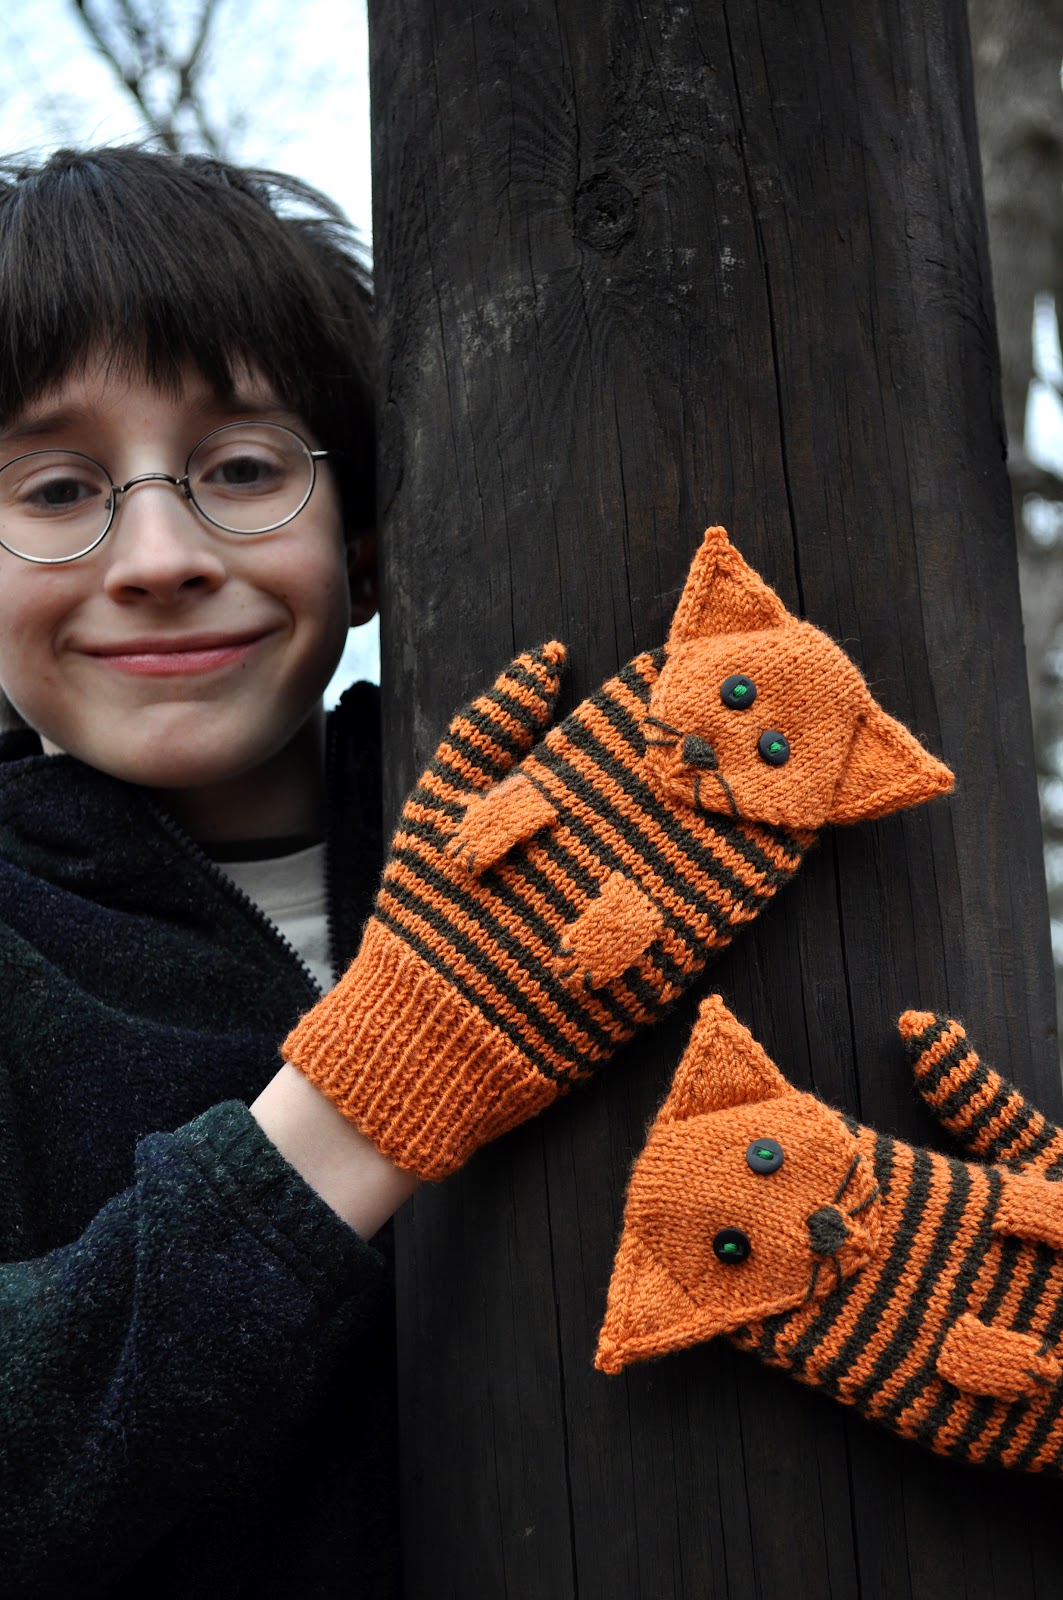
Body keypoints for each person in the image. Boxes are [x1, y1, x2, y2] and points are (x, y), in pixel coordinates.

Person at [0, 144, 416, 1597]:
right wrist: (376, 1096)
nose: (159, 554)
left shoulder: (530, 813)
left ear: (363, 541)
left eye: (242, 469)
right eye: (58, 489)